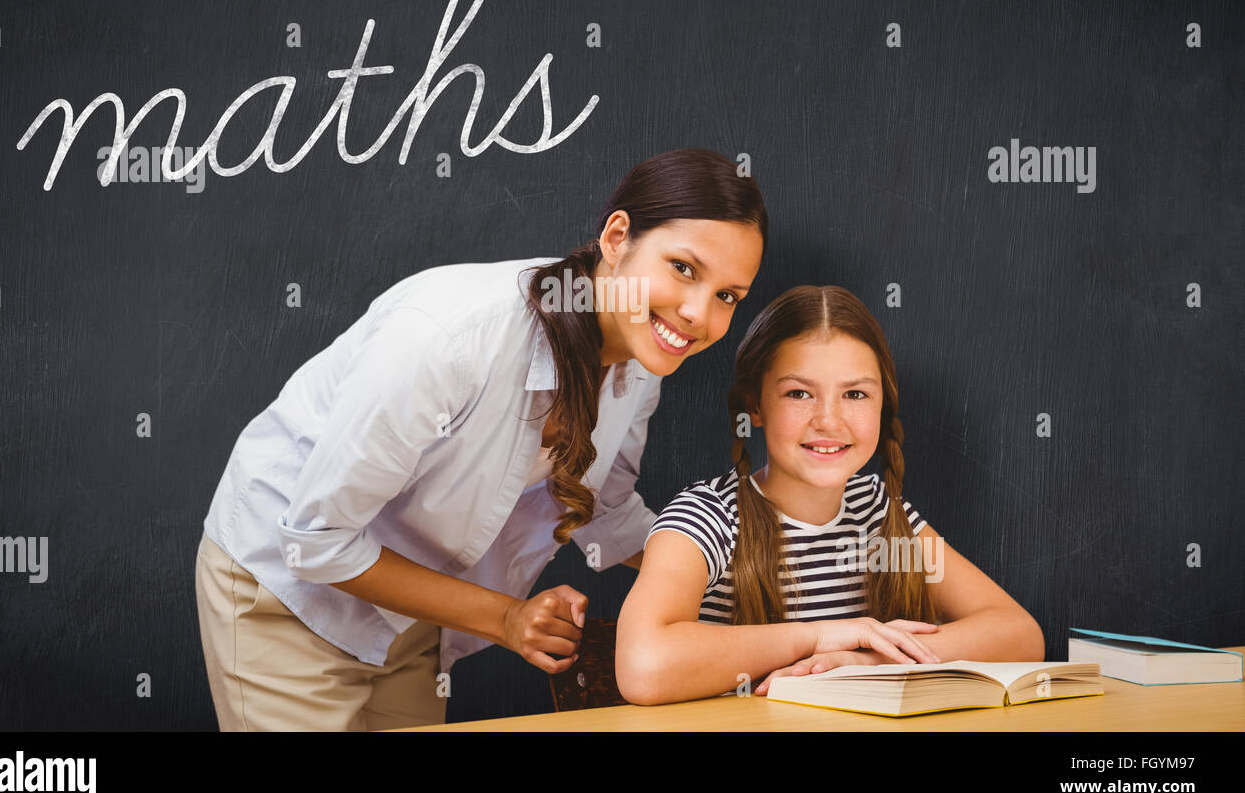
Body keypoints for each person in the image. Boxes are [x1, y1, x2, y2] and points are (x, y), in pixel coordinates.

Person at [194, 148, 767, 730]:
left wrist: (768, 581)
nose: (698, 314)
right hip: (286, 587)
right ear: (617, 237)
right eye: (684, 268)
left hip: (408, 601)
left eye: (727, 296)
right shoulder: (452, 340)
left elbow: (605, 512)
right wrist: (507, 618)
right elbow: (316, 541)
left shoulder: (642, 362)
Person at [615, 285, 1045, 706]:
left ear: (882, 405)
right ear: (756, 407)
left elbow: (1020, 634)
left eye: (855, 394)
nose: (828, 420)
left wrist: (869, 658)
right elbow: (643, 667)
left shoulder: (877, 510)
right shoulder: (706, 517)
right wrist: (820, 636)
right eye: (799, 393)